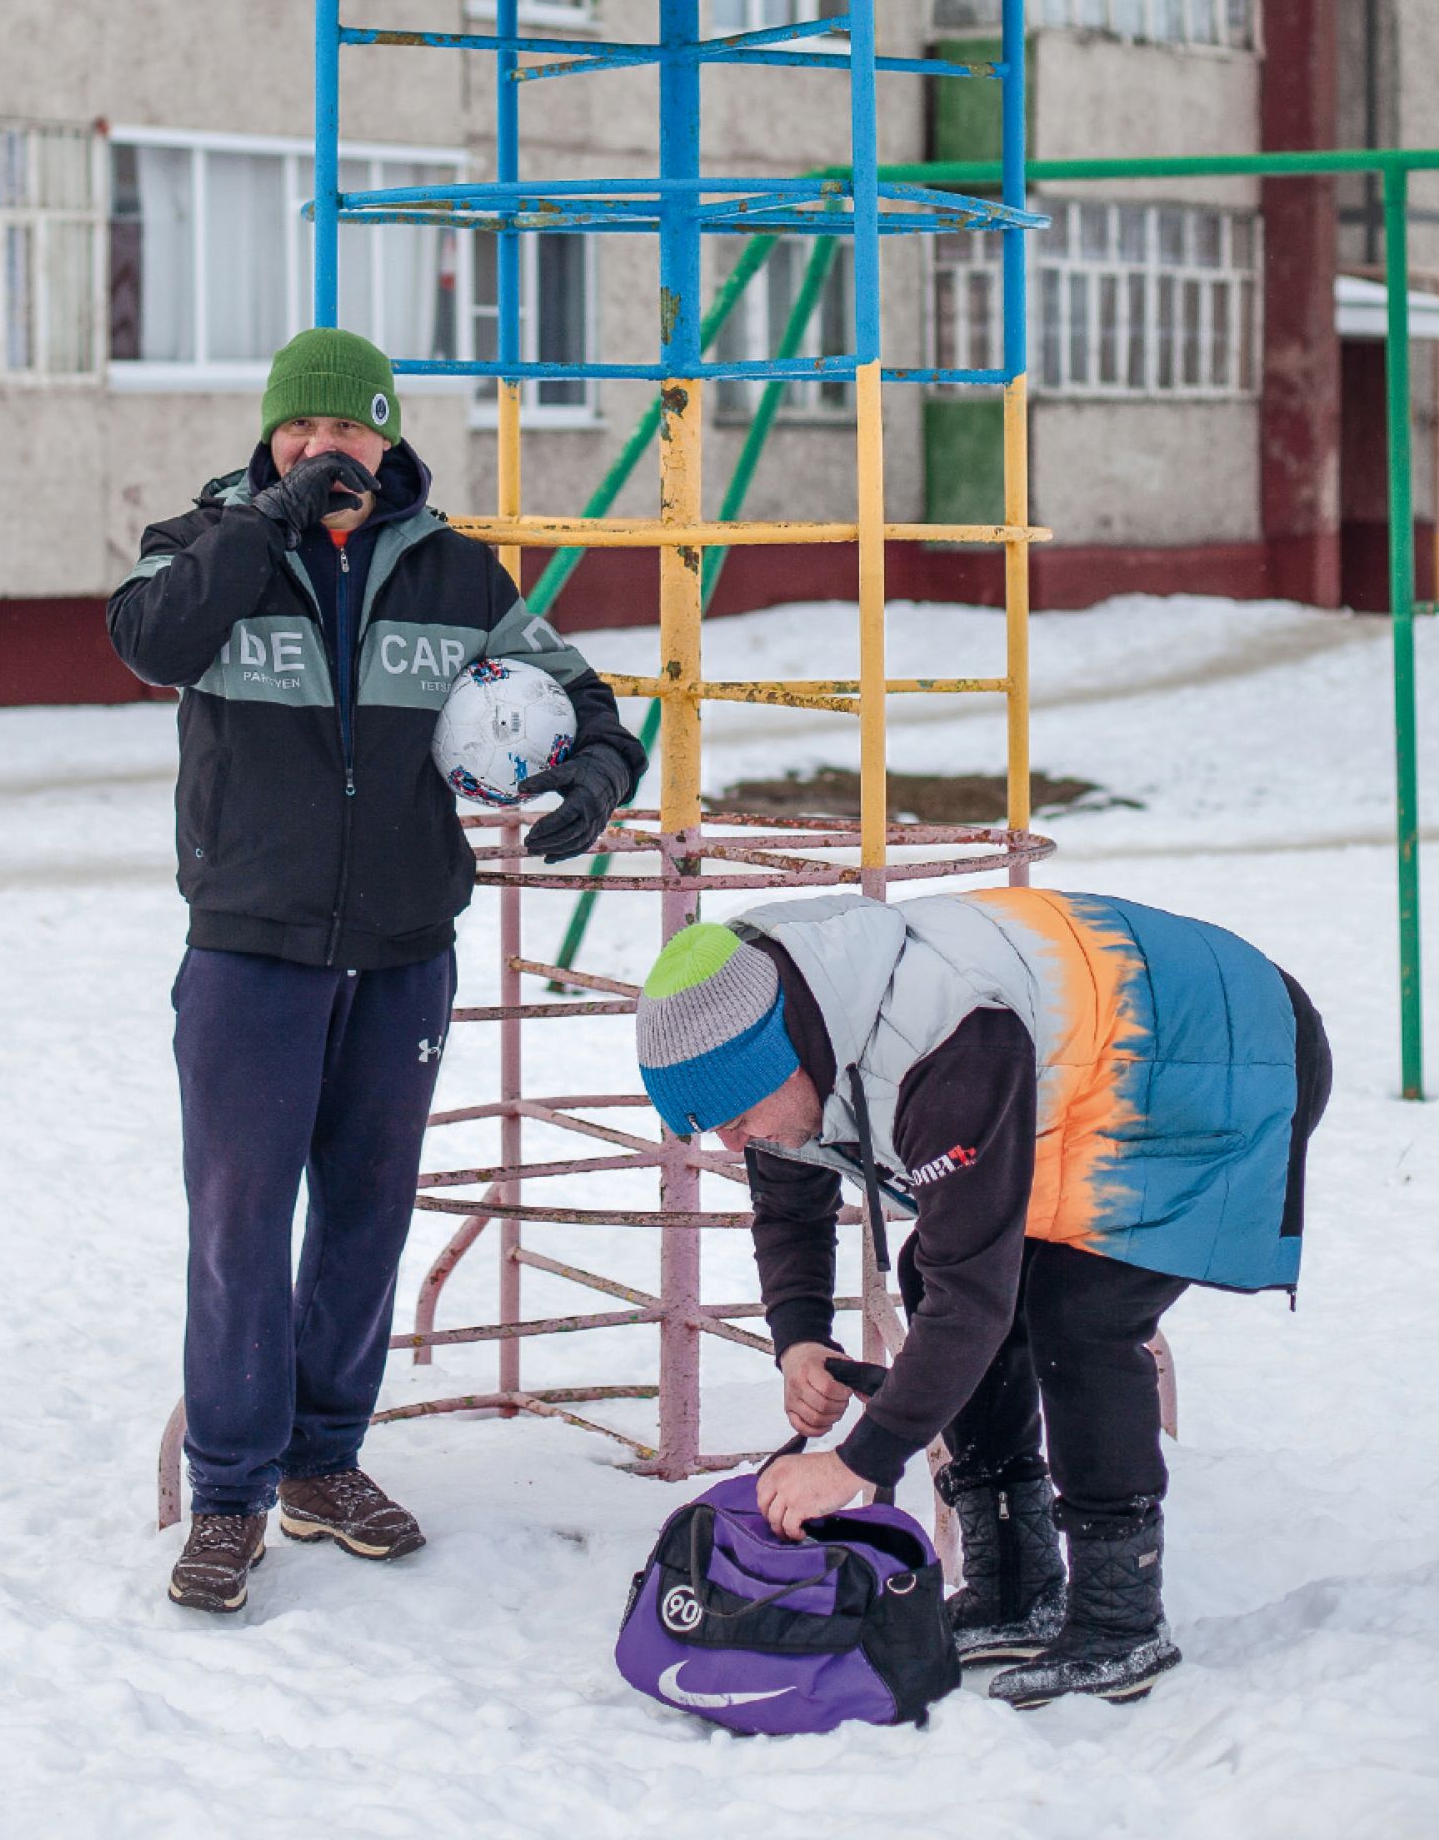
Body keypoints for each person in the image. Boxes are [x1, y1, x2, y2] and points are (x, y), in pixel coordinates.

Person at [110, 327, 646, 1614]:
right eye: (299, 429)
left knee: (365, 1209)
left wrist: (595, 777)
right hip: (251, 942)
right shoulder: (202, 544)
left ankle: (324, 1461)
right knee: (241, 1222)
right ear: (270, 435)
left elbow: (587, 700)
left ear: (387, 435)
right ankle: (230, 1490)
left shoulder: (457, 573)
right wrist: (269, 524)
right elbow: (151, 643)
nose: (321, 449)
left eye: (344, 430)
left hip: (404, 945)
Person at [633, 886, 1331, 1708]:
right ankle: (1015, 1584)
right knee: (935, 1270)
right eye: (716, 1125)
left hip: (1218, 1053)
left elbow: (976, 1299)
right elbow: (791, 1199)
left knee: (1081, 1312)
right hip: (1093, 1074)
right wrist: (799, 1336)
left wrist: (856, 1464)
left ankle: (1120, 1618)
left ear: (783, 1055)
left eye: (740, 1115)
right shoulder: (778, 1023)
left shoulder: (942, 1039)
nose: (733, 1141)